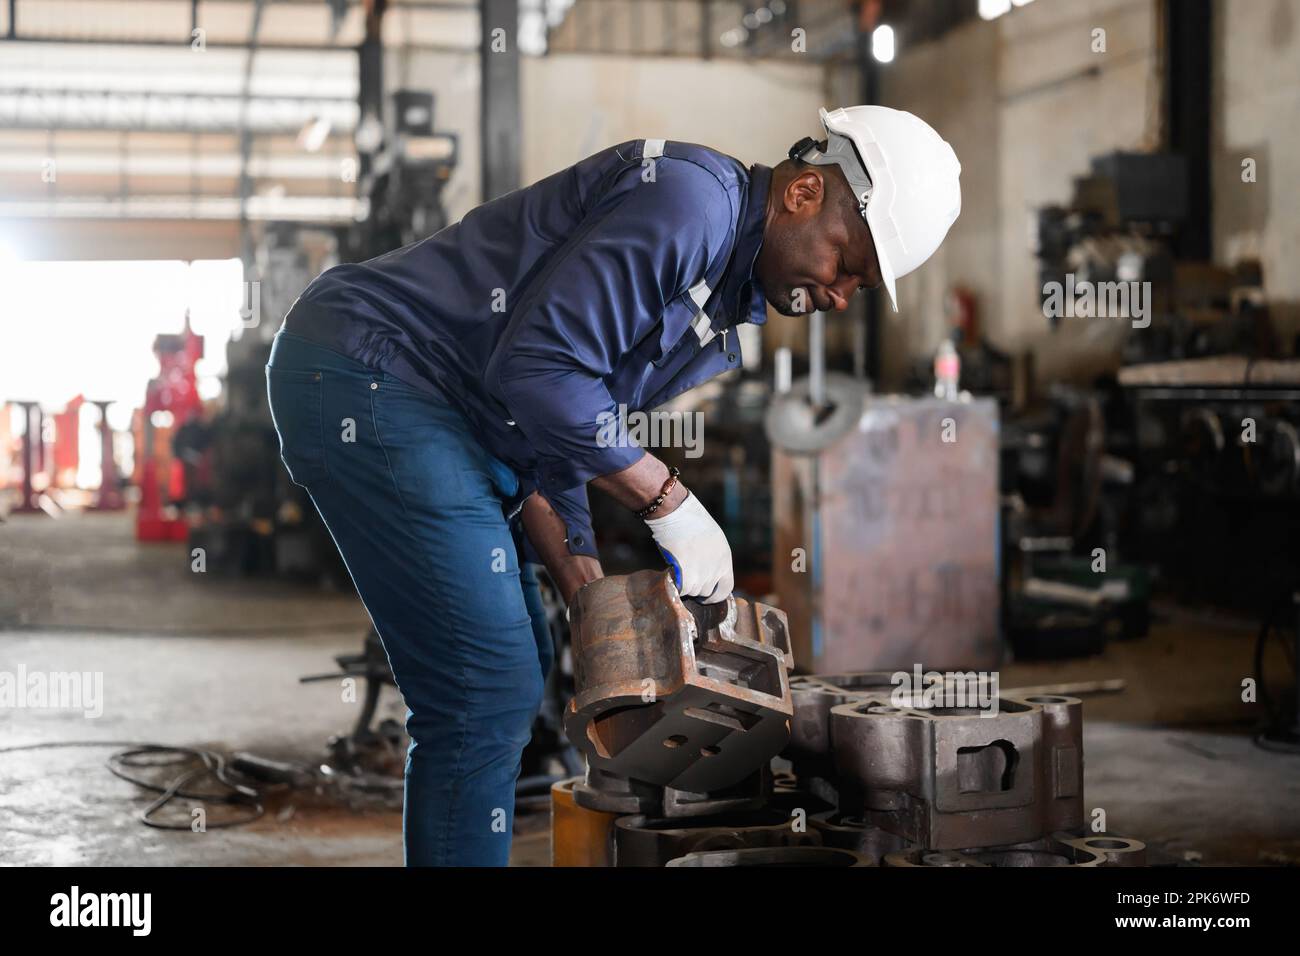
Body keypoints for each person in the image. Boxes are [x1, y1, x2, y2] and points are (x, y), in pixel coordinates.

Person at [265, 105, 961, 865]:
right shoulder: (691, 203)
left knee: (518, 672)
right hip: (372, 374)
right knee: (481, 690)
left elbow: (551, 426)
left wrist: (586, 592)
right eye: (848, 262)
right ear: (802, 195)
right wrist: (670, 501)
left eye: (860, 284)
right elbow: (538, 371)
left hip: (452, 412)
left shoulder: (718, 314)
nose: (840, 294)